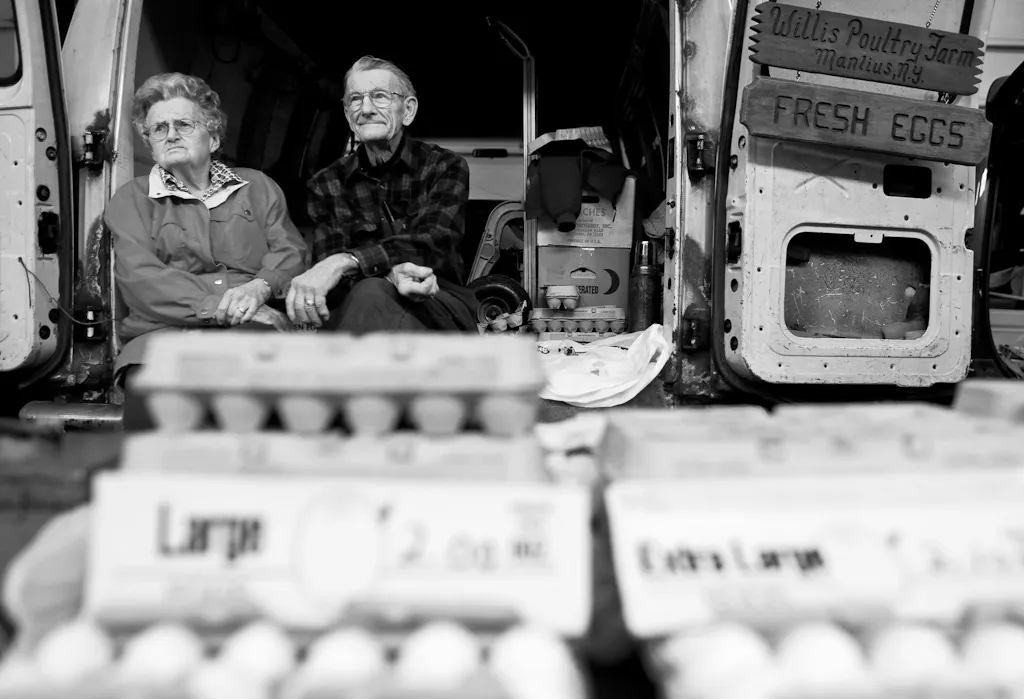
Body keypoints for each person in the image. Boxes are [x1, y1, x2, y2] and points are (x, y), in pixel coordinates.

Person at [106, 72, 308, 428]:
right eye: (158, 129)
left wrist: (258, 288)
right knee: (154, 407)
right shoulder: (131, 200)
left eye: (183, 124)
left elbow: (291, 252)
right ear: (150, 144)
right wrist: (223, 306)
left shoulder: (258, 186)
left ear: (213, 137)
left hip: (253, 326)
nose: (170, 135)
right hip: (162, 333)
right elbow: (140, 279)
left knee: (252, 393)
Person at [285, 56, 478, 332]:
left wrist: (347, 261)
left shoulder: (444, 166)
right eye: (355, 99)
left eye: (379, 96)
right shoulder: (326, 183)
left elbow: (433, 243)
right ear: (347, 116)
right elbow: (333, 283)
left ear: (408, 110)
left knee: (369, 297)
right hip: (358, 305)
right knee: (369, 294)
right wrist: (387, 275)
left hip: (436, 301)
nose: (365, 109)